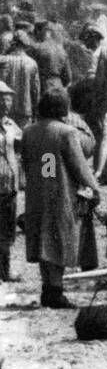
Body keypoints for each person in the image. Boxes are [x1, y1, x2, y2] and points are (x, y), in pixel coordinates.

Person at [19, 89, 98, 308]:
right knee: (58, 238)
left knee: (43, 238)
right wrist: (93, 187)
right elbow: (79, 165)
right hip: (60, 192)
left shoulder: (29, 131)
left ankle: (48, 287)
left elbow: (31, 162)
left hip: (36, 193)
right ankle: (55, 291)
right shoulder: (66, 132)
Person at [0, 81, 20, 281]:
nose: (6, 103)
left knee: (7, 229)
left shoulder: (10, 125)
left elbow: (28, 146)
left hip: (9, 184)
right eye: (2, 99)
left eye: (8, 99)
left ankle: (5, 271)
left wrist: (48, 173)